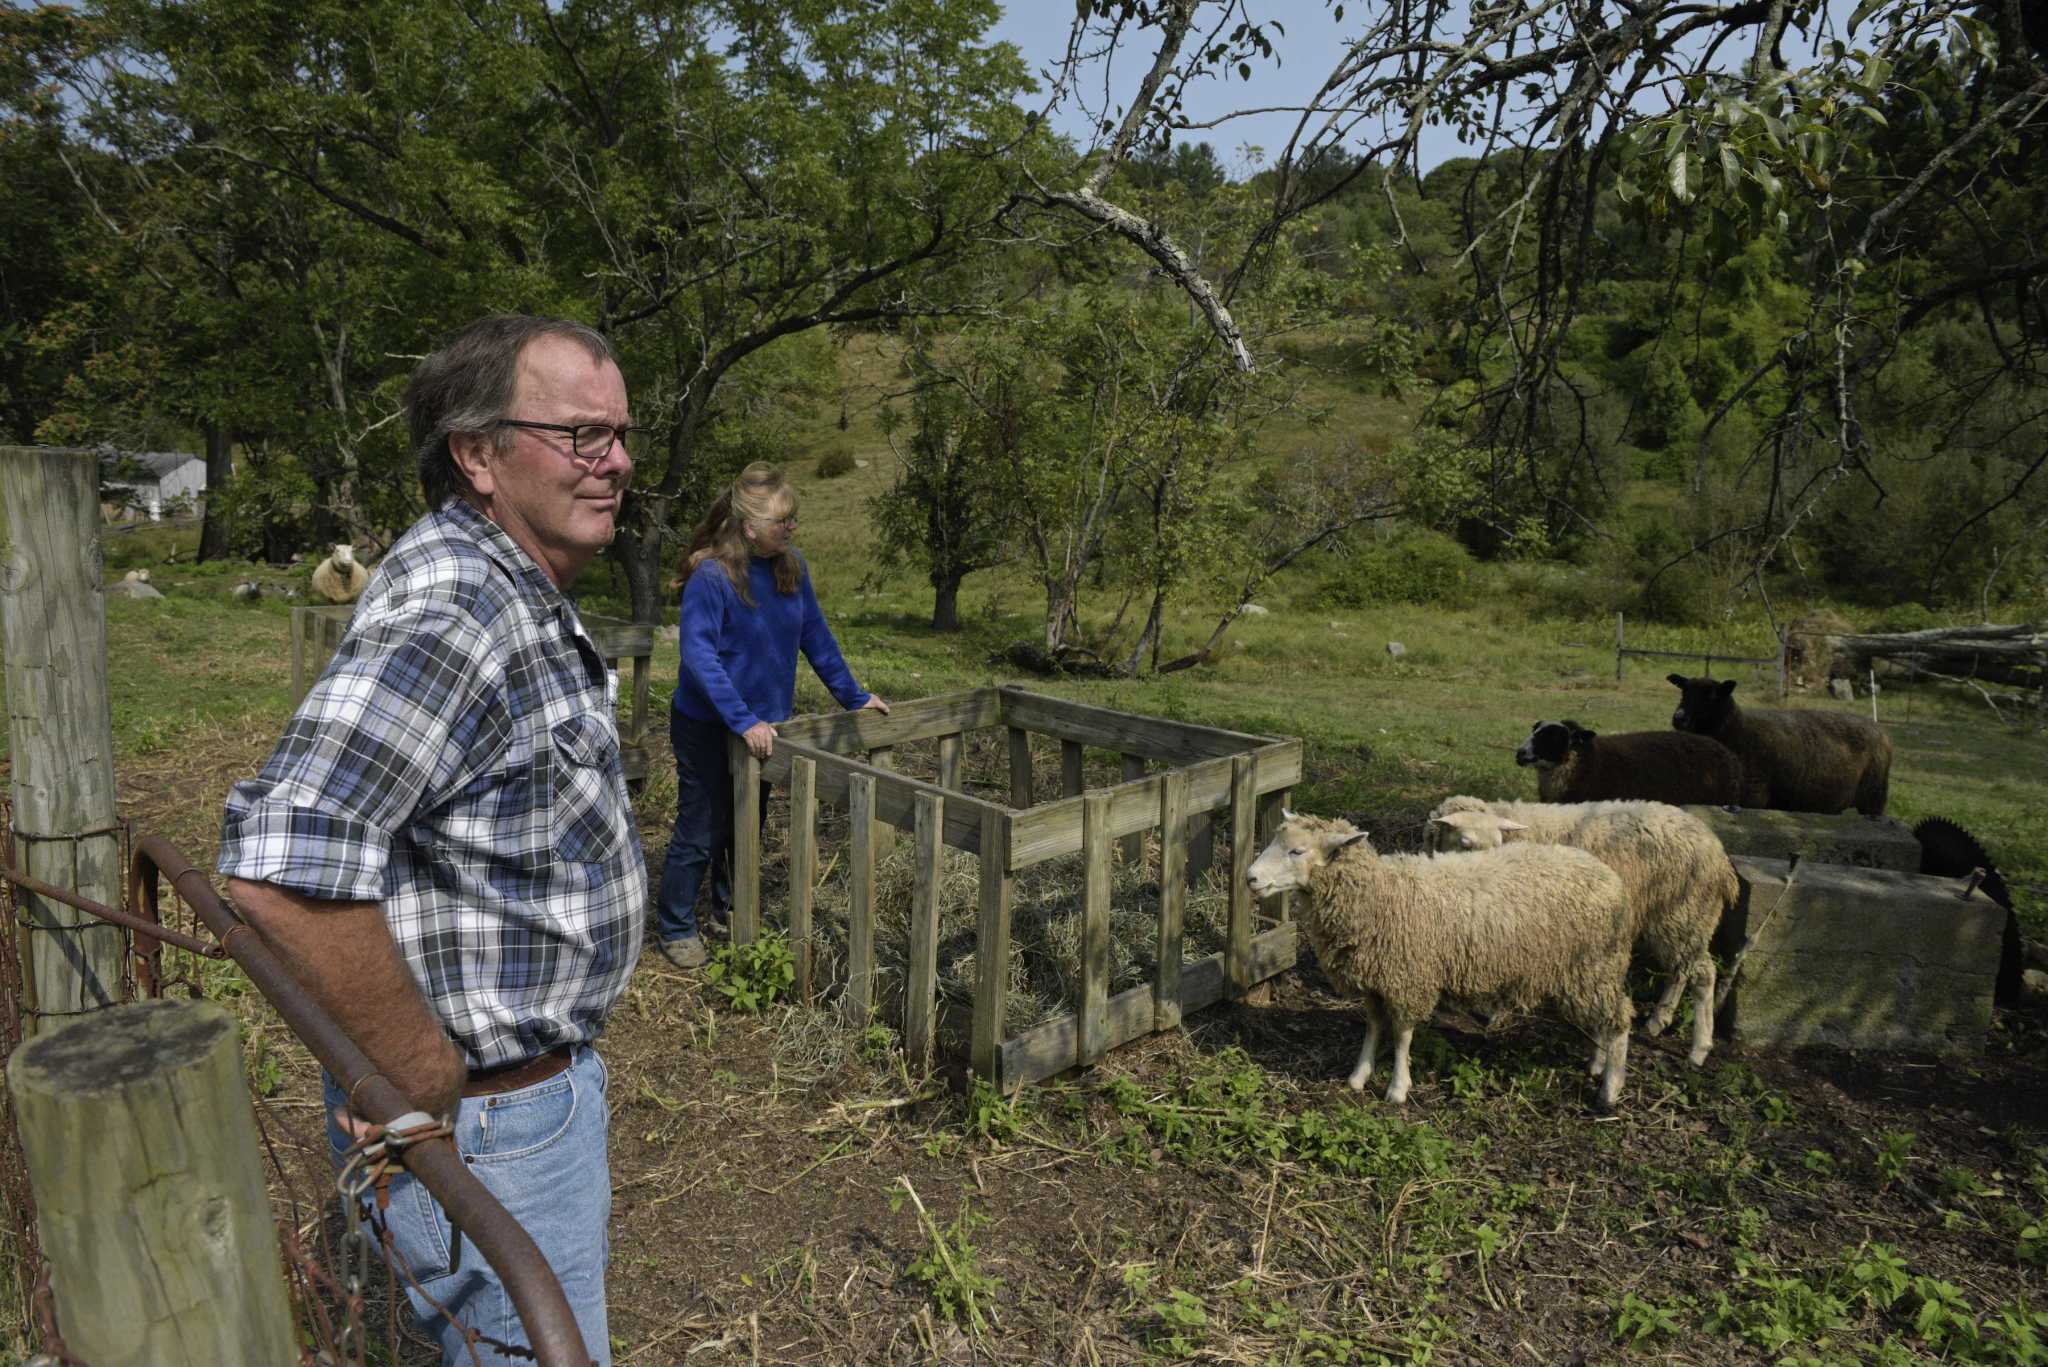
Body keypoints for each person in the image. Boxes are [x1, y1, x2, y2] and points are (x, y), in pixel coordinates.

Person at [217, 314, 644, 1366]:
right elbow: (280, 864)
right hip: (492, 1124)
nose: (617, 461)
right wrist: (416, 1068)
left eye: (621, 433)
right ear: (478, 453)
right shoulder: (461, 604)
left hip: (503, 1113)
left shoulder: (506, 583)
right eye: (582, 434)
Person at [652, 460, 888, 967]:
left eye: (792, 518)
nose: (792, 527)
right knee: (701, 825)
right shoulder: (712, 576)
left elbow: (815, 636)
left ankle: (729, 909)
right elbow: (699, 658)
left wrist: (854, 696)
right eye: (782, 520)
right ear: (749, 526)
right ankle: (675, 926)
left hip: (764, 727)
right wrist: (742, 720)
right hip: (707, 725)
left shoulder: (790, 566)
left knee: (747, 822)